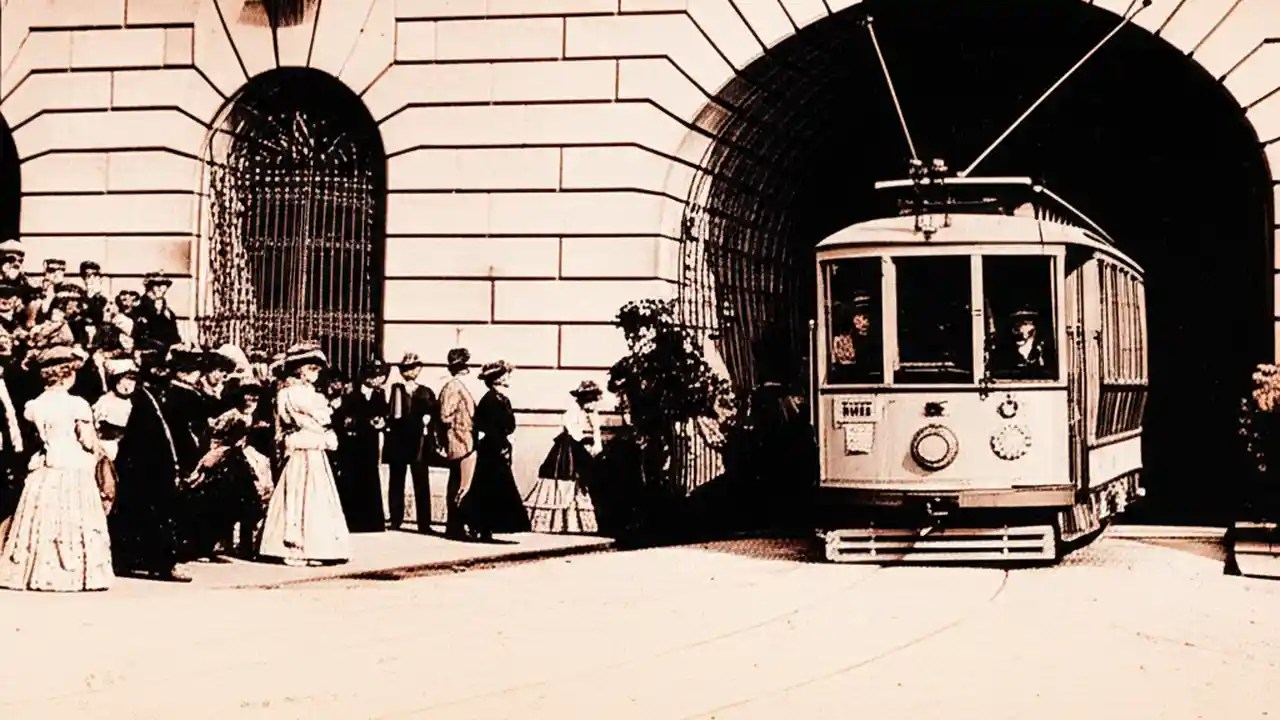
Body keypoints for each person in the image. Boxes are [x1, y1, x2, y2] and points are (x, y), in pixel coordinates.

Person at [0, 345, 112, 591]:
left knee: (42, 516)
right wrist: (97, 449)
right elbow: (86, 439)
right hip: (72, 462)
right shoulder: (77, 404)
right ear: (68, 374)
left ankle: (37, 570)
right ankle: (72, 574)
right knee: (74, 514)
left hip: (46, 464)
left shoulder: (35, 405)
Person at [258, 342, 350, 566]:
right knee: (299, 493)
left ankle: (317, 546)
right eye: (311, 369)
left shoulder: (309, 394)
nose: (315, 374)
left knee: (316, 493)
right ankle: (296, 547)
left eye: (317, 370)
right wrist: (319, 426)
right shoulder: (292, 393)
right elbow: (313, 419)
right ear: (300, 370)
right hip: (302, 449)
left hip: (313, 448)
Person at [109, 350, 190, 583]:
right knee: (142, 512)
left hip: (151, 464)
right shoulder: (144, 398)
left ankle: (150, 562)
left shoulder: (162, 396)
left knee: (151, 512)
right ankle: (152, 563)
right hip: (141, 464)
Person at [458, 360, 530, 541]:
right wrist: (500, 443)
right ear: (497, 380)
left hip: (499, 448)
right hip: (491, 450)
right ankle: (479, 525)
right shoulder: (489, 400)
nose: (507, 378)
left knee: (495, 490)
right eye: (504, 375)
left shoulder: (502, 399)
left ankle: (486, 526)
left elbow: (509, 424)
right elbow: (486, 426)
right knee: (487, 489)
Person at [526, 380, 602, 534]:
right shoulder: (572, 413)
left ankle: (581, 523)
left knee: (584, 482)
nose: (593, 405)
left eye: (594, 401)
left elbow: (597, 433)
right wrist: (586, 445)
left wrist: (596, 447)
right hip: (570, 449)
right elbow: (575, 434)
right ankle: (559, 523)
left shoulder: (594, 415)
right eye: (590, 401)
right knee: (565, 478)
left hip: (585, 449)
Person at [334, 360, 390, 533]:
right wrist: (365, 422)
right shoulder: (351, 393)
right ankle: (353, 521)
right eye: (375, 376)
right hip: (352, 443)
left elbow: (384, 413)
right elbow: (344, 419)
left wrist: (382, 422)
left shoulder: (379, 394)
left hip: (370, 443)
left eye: (381, 376)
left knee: (371, 478)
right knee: (352, 480)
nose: (378, 380)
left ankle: (372, 522)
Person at [385, 352, 438, 532]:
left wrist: (428, 421)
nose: (410, 372)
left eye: (413, 368)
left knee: (421, 481)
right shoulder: (395, 389)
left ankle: (425, 522)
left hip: (419, 441)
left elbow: (433, 412)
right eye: (406, 369)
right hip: (399, 441)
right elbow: (391, 414)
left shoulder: (425, 391)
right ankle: (395, 519)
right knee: (396, 481)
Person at [436, 347, 476, 540]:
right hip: (459, 438)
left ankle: (458, 525)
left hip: (463, 438)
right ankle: (455, 526)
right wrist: (461, 423)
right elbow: (445, 415)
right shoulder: (454, 387)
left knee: (460, 482)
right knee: (461, 483)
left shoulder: (458, 386)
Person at [990, 308, 1052, 379]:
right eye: (1016, 323)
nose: (1019, 328)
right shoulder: (1002, 354)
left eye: (1025, 324)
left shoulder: (1044, 353)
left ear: (1035, 328)